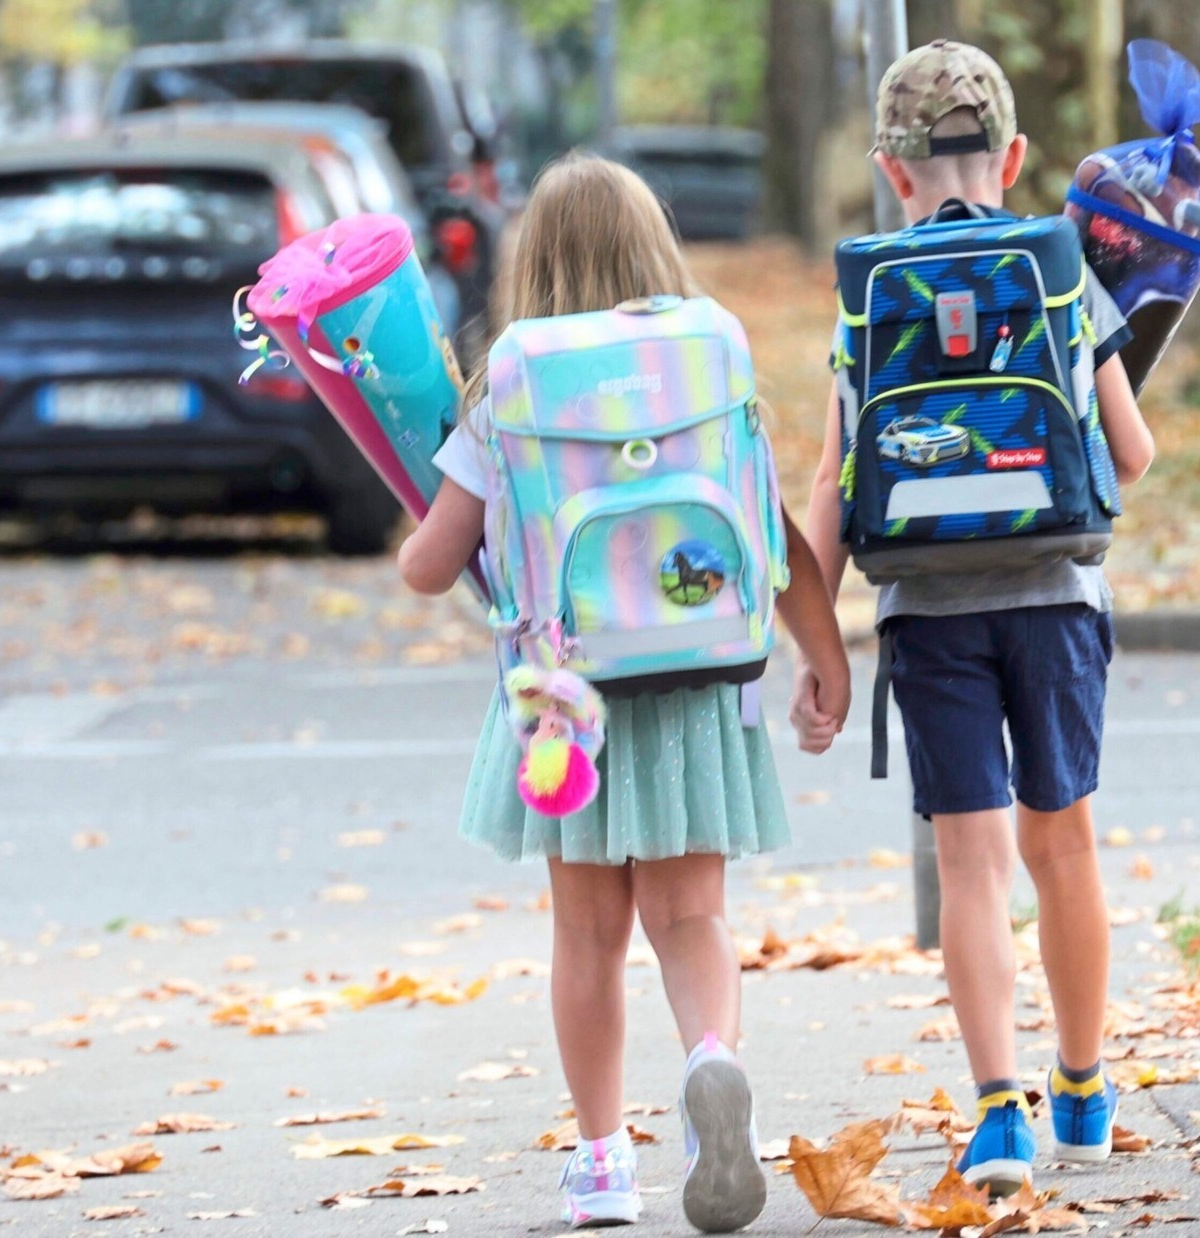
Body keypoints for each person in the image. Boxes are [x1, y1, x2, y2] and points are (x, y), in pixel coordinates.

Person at [397, 153, 853, 1232]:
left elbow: (429, 565)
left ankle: (603, 1162)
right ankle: (709, 1065)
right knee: (692, 915)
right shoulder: (707, 360)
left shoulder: (505, 386)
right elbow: (765, 524)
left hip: (567, 701)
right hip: (699, 680)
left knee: (587, 936)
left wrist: (425, 497)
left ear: (535, 265)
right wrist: (820, 648)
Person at [800, 41, 1156, 1199]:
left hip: (927, 614)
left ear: (888, 171)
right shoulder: (1059, 268)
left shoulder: (870, 293)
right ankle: (1085, 1085)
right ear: (1010, 156)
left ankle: (998, 1107)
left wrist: (815, 642)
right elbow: (1133, 455)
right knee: (1065, 844)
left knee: (969, 862)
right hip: (1055, 600)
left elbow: (831, 487)